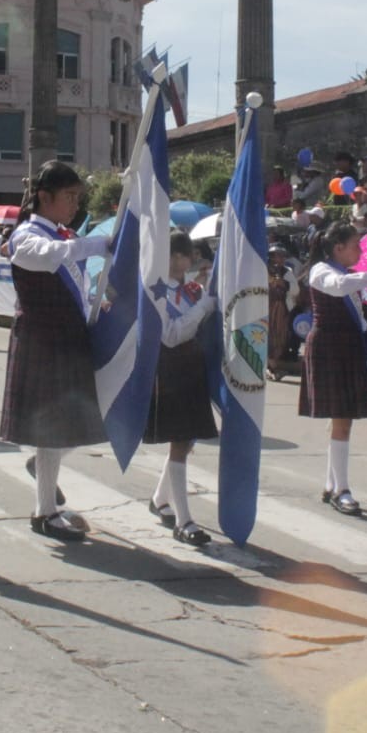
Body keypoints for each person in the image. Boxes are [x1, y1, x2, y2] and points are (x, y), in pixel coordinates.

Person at [0, 161, 112, 542]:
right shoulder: (27, 234)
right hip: (43, 338)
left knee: (76, 424)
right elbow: (46, 256)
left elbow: (73, 284)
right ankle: (45, 512)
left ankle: (44, 490)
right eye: (68, 197)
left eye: (77, 198)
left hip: (67, 337)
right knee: (52, 429)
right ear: (44, 197)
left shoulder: (63, 235)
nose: (74, 205)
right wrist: (96, 243)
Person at [299, 222, 367, 516]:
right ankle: (342, 489)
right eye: (355, 245)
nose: (360, 251)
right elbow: (338, 289)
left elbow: (359, 317)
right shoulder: (322, 272)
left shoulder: (348, 276)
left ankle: (332, 483)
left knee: (343, 419)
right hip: (330, 347)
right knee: (342, 419)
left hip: (347, 346)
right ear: (337, 248)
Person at [144, 232, 219, 546]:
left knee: (186, 443)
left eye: (187, 256)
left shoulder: (191, 289)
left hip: (192, 367)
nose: (183, 262)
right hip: (169, 368)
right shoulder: (155, 290)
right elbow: (172, 335)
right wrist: (203, 307)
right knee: (179, 442)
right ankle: (184, 520)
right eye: (175, 255)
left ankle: (160, 498)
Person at [266, 245, 300, 380]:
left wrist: (284, 283)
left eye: (282, 256)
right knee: (267, 335)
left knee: (280, 337)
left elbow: (295, 290)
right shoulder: (264, 270)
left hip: (281, 308)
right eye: (277, 255)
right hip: (266, 307)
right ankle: (270, 367)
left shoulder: (287, 272)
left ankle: (273, 365)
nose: (280, 259)